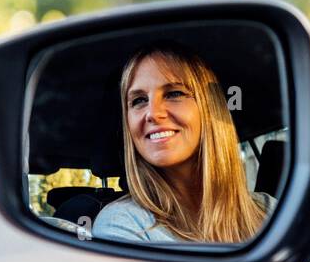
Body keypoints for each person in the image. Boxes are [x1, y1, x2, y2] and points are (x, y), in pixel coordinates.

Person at [93, 42, 276, 244]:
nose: (153, 113)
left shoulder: (270, 211)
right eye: (139, 100)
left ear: (211, 109)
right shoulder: (121, 224)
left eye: (174, 94)